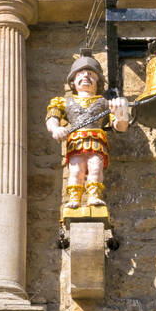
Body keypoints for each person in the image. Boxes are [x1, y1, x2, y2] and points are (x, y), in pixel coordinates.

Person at [46, 52, 129, 212]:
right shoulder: (64, 101)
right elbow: (52, 116)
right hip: (76, 140)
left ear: (98, 82)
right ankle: (74, 198)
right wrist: (55, 129)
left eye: (91, 74)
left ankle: (94, 196)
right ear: (72, 81)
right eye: (81, 74)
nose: (85, 77)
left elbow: (121, 127)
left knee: (95, 167)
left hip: (96, 140)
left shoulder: (105, 103)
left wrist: (121, 111)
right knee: (76, 169)